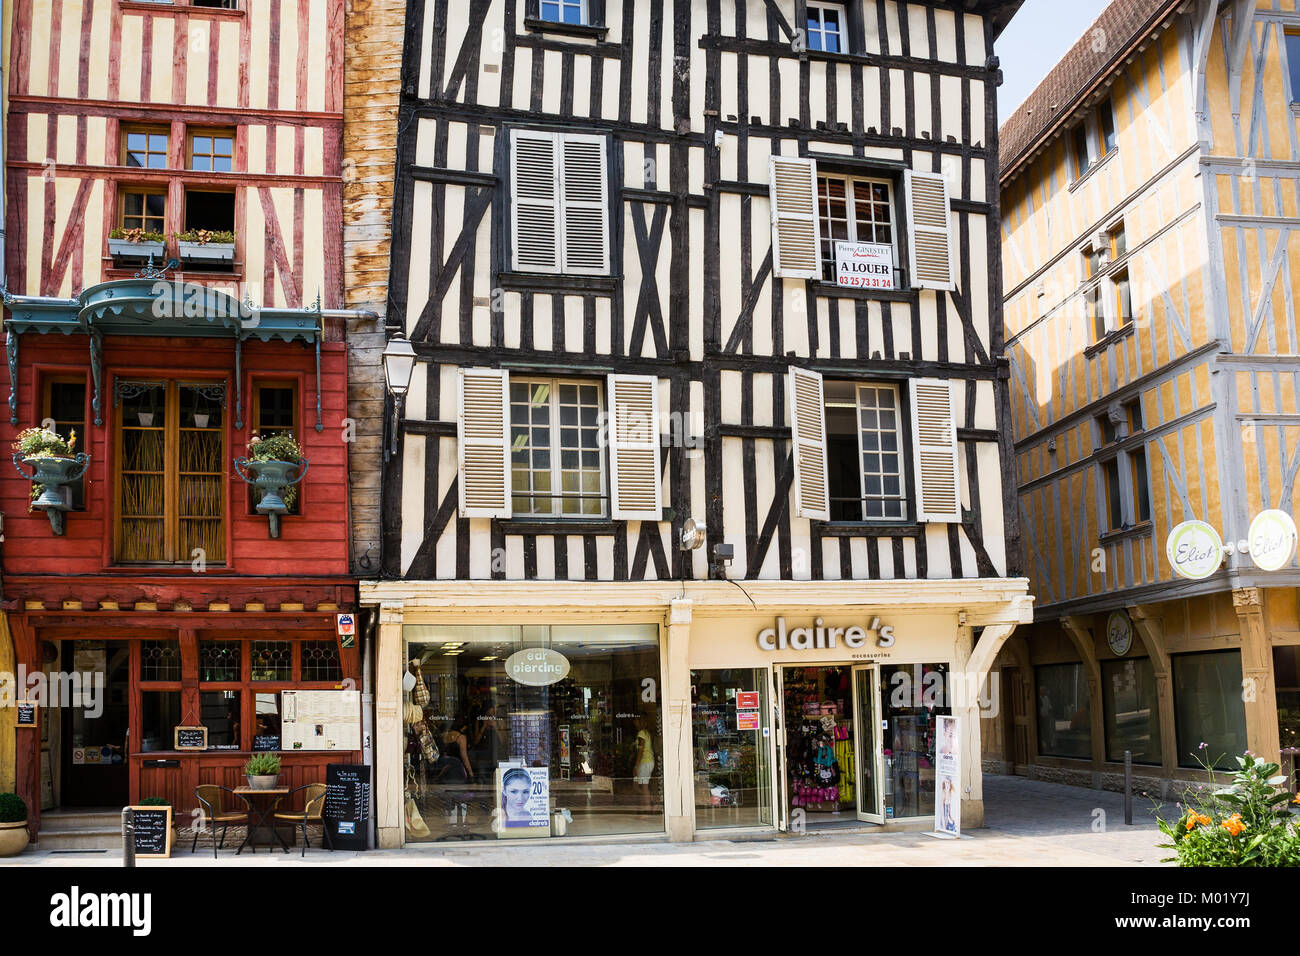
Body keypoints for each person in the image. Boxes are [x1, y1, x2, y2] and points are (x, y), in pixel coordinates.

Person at [632, 715, 655, 811]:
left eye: (636, 720)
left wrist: (636, 766)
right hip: (649, 762)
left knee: (643, 787)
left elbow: (641, 751)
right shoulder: (647, 733)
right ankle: (647, 803)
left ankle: (648, 807)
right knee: (642, 786)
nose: (634, 723)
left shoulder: (641, 733)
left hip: (644, 762)